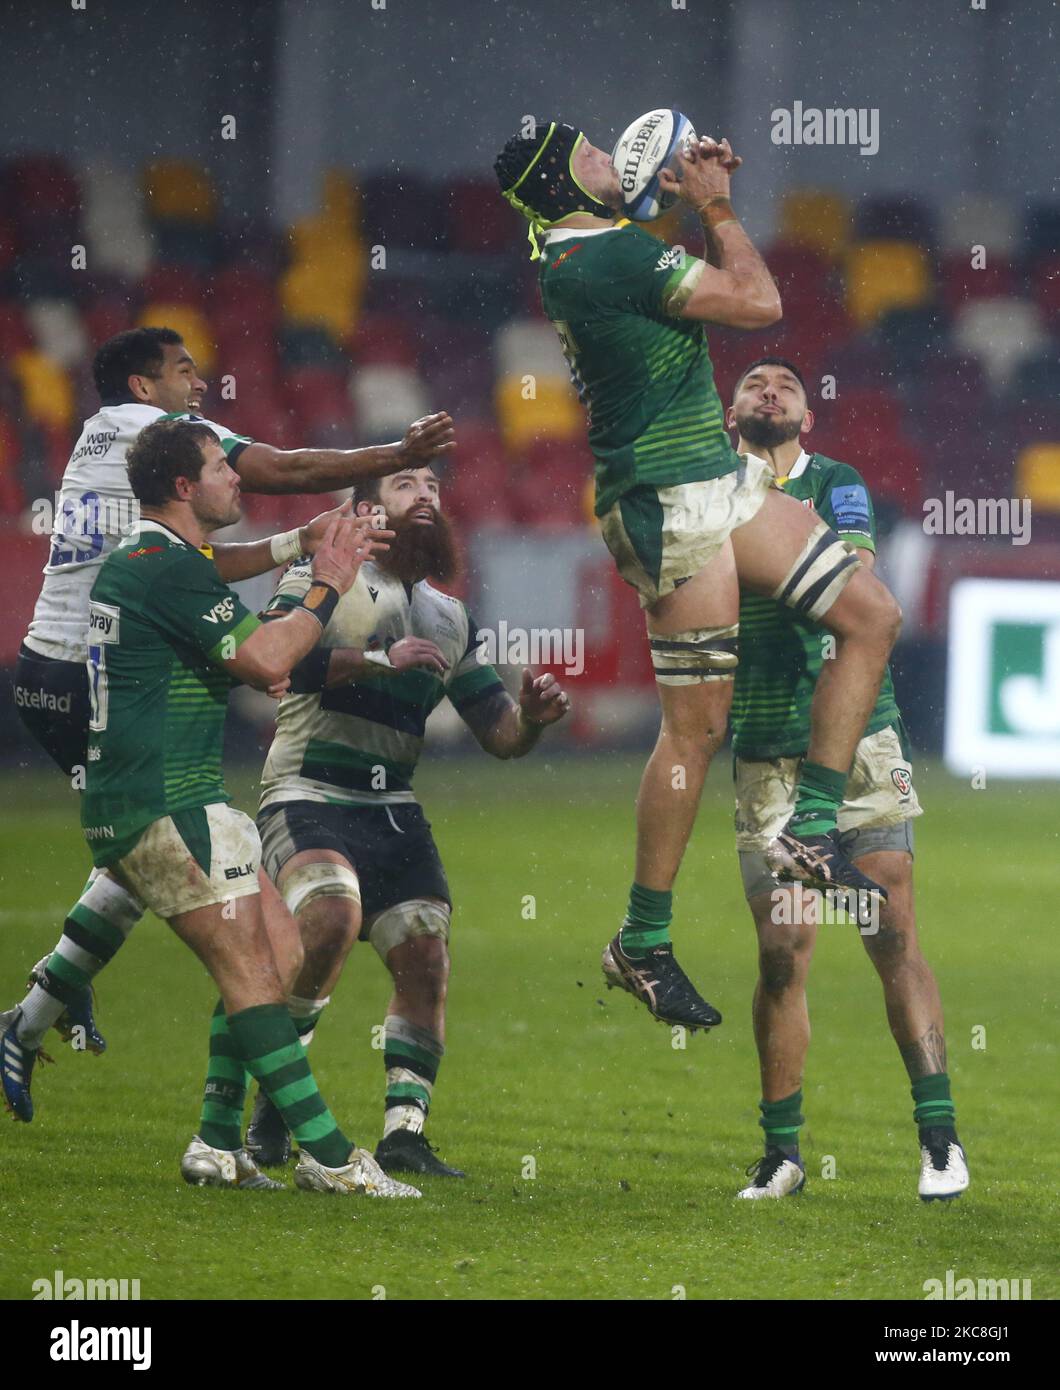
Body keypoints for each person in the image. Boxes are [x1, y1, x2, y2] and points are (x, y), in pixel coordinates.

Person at [493, 119, 901, 1034]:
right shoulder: (605, 261)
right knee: (696, 729)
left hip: (716, 481)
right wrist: (711, 202)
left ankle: (811, 827)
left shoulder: (591, 250)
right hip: (667, 504)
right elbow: (758, 304)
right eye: (592, 150)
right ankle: (642, 940)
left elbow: (655, 259)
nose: (610, 154)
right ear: (566, 177)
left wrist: (676, 199)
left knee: (870, 615)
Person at [8, 325, 454, 1058]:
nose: (200, 384)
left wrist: (292, 545)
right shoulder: (161, 433)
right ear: (144, 388)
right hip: (86, 675)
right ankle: (47, 1018)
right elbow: (282, 465)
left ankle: (44, 1002)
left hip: (56, 667)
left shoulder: (101, 435)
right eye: (183, 371)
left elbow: (191, 567)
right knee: (173, 867)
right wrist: (391, 457)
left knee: (136, 853)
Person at [2, 419, 421, 1198]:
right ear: (186, 487)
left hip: (178, 797)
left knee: (284, 957)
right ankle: (331, 1158)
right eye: (222, 469)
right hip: (163, 803)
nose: (239, 478)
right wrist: (328, 575)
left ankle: (218, 1144)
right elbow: (267, 658)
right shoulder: (164, 567)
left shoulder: (159, 562)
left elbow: (252, 660)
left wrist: (306, 550)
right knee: (253, 975)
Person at [228, 462, 570, 1179]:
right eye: (406, 484)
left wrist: (533, 721)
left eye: (435, 488)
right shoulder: (328, 578)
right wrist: (379, 658)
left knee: (425, 956)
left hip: (393, 808)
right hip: (306, 791)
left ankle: (405, 1135)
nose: (426, 497)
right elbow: (268, 660)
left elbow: (498, 734)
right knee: (328, 920)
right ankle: (274, 1101)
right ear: (367, 508)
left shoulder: (449, 615)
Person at [725, 358, 967, 1202]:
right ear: (729, 411)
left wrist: (750, 533)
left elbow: (852, 576)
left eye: (788, 385)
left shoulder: (837, 480)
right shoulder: (707, 490)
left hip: (859, 744)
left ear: (807, 417)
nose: (772, 389)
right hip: (766, 751)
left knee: (891, 938)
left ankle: (939, 1139)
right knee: (783, 954)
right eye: (755, 380)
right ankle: (783, 1153)